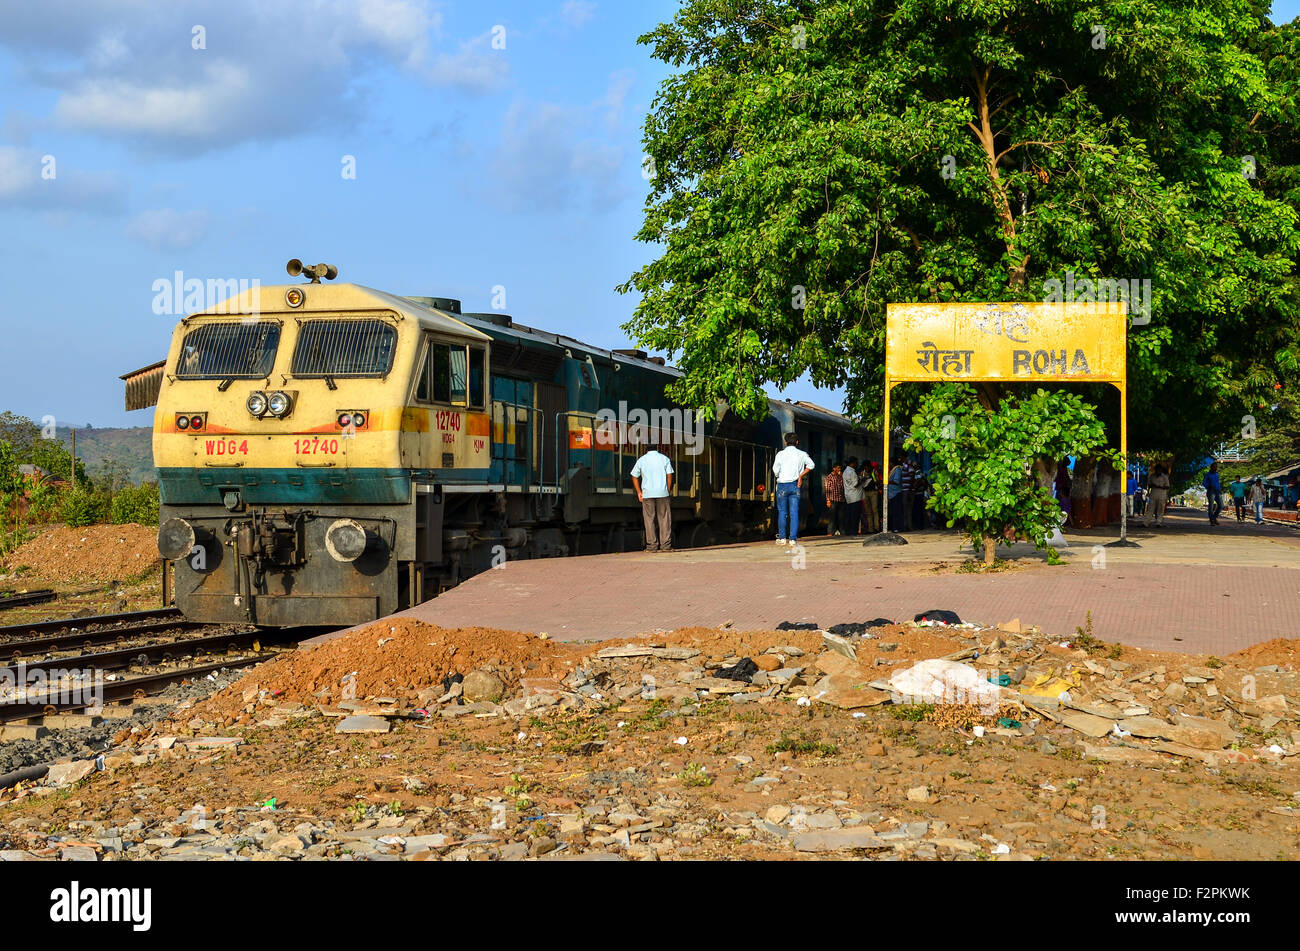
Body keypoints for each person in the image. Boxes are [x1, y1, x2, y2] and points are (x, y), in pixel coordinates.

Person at [772, 433, 814, 546]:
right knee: (794, 512)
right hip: (795, 485)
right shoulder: (802, 454)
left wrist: (779, 475)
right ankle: (793, 539)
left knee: (782, 512)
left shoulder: (780, 454)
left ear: (786, 443)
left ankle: (782, 538)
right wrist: (800, 476)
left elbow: (775, 470)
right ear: (797, 442)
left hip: (782, 486)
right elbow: (811, 465)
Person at [631, 442, 674, 552]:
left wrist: (639, 492)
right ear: (657, 447)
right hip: (663, 493)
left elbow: (634, 476)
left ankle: (651, 546)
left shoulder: (641, 460)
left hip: (647, 494)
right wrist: (667, 489)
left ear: (646, 448)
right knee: (664, 519)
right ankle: (666, 546)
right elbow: (669, 475)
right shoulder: (664, 459)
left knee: (649, 520)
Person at [842, 457, 863, 536]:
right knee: (855, 515)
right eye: (856, 463)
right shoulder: (852, 472)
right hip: (855, 496)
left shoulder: (845, 471)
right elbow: (855, 484)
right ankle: (854, 530)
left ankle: (848, 530)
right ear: (853, 463)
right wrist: (862, 480)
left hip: (848, 495)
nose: (857, 464)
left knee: (849, 514)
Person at [823, 462, 845, 537]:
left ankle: (842, 531)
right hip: (833, 500)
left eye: (840, 468)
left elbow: (842, 486)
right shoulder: (829, 477)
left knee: (841, 517)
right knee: (832, 517)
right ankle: (830, 532)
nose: (839, 469)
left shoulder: (840, 477)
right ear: (834, 468)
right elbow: (827, 490)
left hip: (840, 499)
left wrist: (841, 476)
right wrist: (828, 500)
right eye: (838, 468)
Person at [862, 462, 881, 533]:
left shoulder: (874, 472)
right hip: (865, 492)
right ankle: (870, 528)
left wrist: (875, 477)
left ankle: (877, 527)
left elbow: (878, 482)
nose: (866, 469)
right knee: (868, 512)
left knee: (875, 510)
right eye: (865, 467)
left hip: (873, 492)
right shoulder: (862, 473)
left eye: (868, 467)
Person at [887, 459, 906, 531]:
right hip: (892, 493)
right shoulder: (893, 471)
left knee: (896, 512)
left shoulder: (897, 470)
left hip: (896, 493)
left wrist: (887, 481)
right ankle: (894, 527)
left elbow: (896, 481)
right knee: (893, 511)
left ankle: (897, 528)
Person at [900, 459, 916, 532]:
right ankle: (907, 526)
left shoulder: (908, 466)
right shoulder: (903, 467)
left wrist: (909, 490)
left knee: (907, 509)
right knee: (906, 509)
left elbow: (912, 477)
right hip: (906, 490)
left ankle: (908, 526)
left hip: (908, 491)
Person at [1204, 461, 1222, 526]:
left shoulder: (1217, 474)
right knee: (1211, 507)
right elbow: (1204, 483)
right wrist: (1209, 486)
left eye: (1216, 467)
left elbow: (1218, 482)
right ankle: (1212, 520)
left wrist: (1220, 488)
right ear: (1211, 467)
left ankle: (1214, 517)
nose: (1216, 468)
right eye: (1214, 467)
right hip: (1211, 491)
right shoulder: (1207, 474)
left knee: (1221, 505)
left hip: (1217, 491)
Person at [1055, 459, 1072, 524]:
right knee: (1061, 504)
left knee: (1061, 504)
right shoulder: (1062, 468)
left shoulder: (1062, 468)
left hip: (1061, 487)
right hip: (1061, 487)